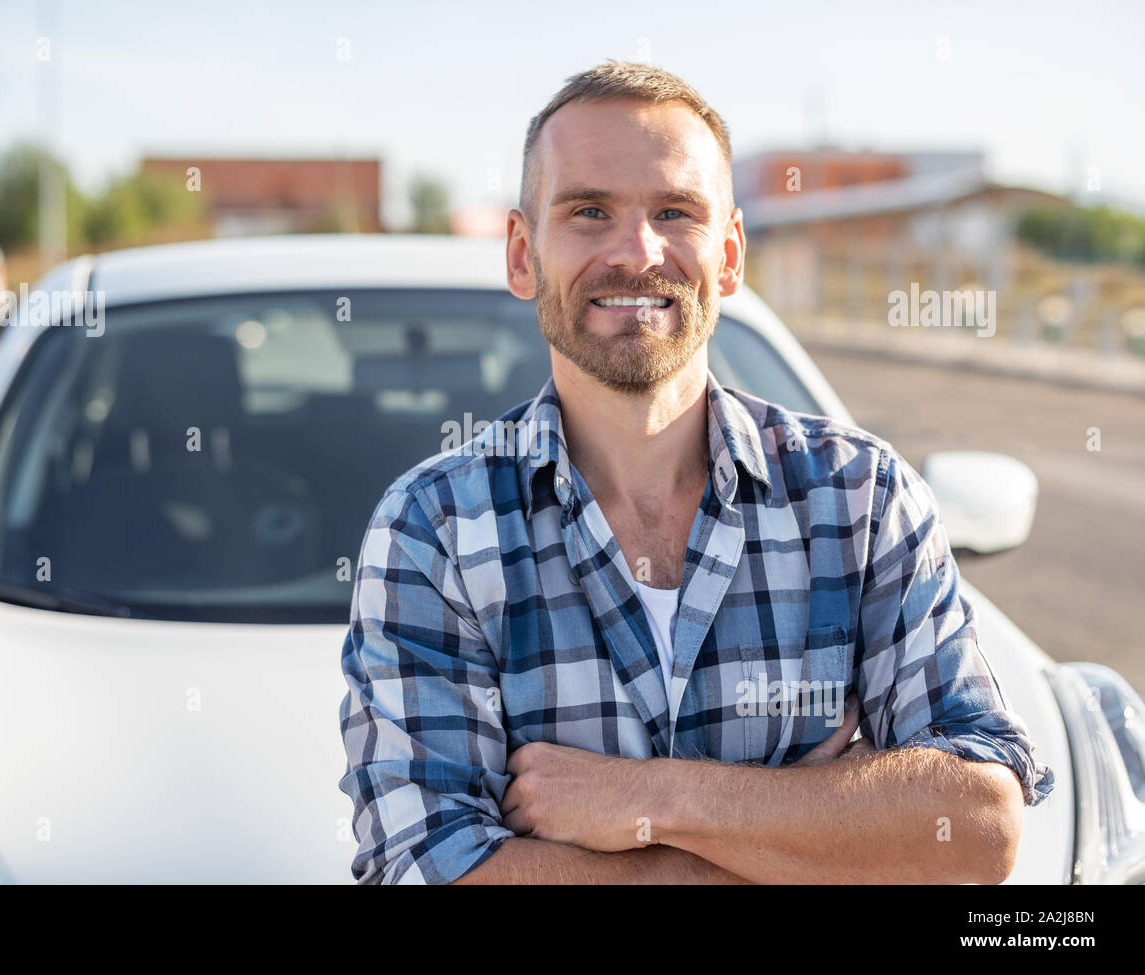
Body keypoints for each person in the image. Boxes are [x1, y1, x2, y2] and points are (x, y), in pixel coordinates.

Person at [338, 59, 1054, 885]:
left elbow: (974, 825)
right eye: (588, 210)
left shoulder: (861, 498)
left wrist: (651, 799)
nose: (636, 252)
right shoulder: (432, 531)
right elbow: (428, 870)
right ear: (522, 254)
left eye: (675, 210)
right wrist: (814, 832)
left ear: (730, 255)